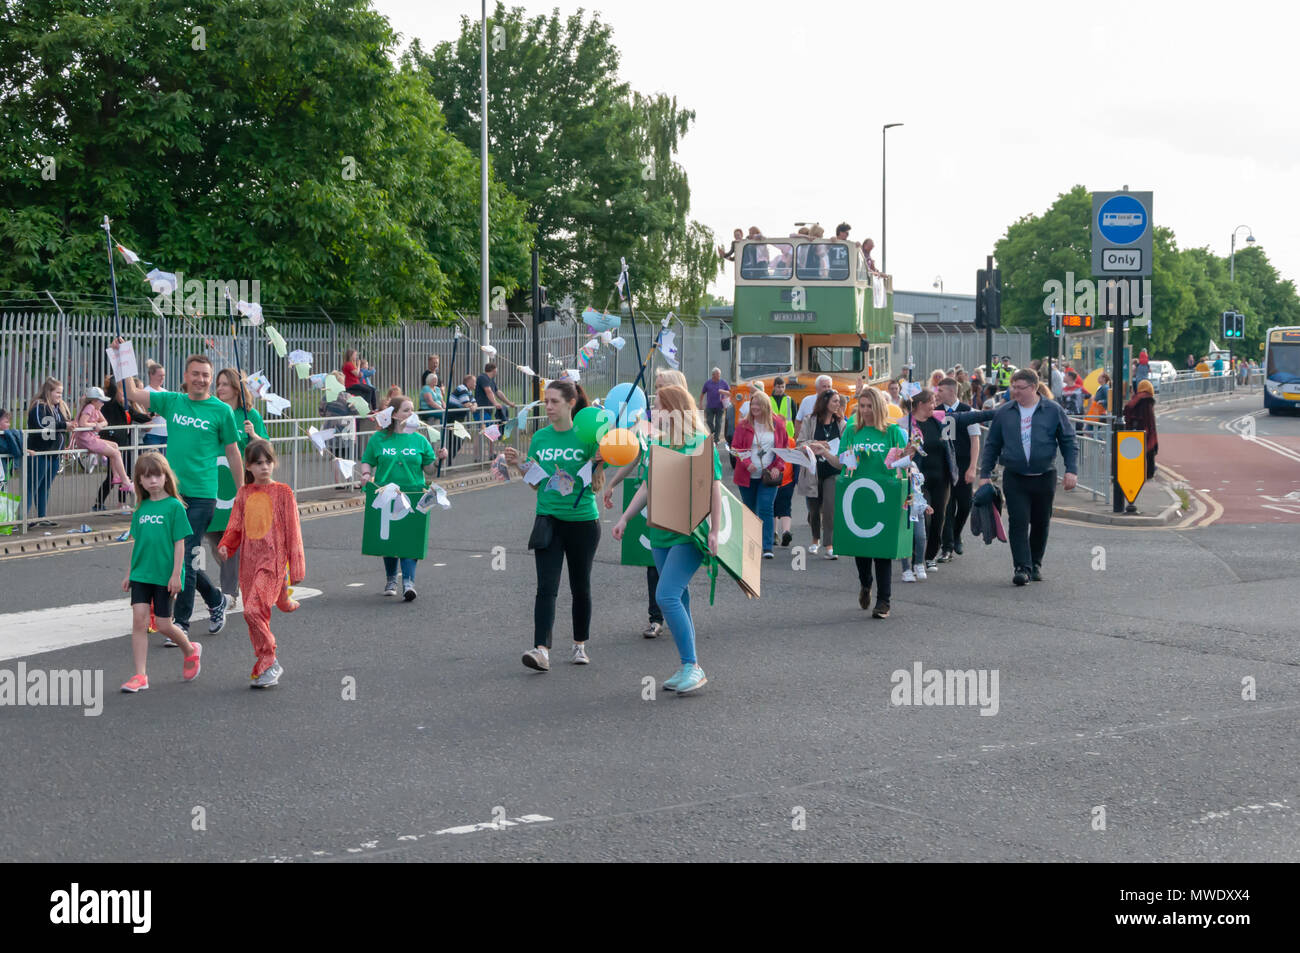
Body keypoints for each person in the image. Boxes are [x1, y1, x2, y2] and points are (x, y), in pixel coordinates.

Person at [118, 347, 244, 641]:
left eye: (206, 376)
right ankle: (215, 600)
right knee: (173, 558)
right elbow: (132, 395)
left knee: (185, 557)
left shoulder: (221, 411)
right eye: (196, 374)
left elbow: (233, 452)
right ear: (186, 376)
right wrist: (122, 357)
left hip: (202, 495)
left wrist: (242, 492)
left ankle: (182, 623)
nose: (201, 380)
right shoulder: (172, 401)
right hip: (171, 495)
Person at [613, 384, 720, 695]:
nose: (652, 413)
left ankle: (693, 666)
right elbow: (647, 488)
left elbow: (714, 488)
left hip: (690, 532)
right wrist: (624, 519)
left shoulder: (701, 442)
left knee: (667, 595)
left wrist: (714, 530)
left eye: (658, 406)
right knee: (680, 597)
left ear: (674, 410)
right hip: (659, 531)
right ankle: (687, 664)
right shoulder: (657, 442)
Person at [502, 380, 602, 672]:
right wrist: (519, 463)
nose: (548, 407)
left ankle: (580, 644)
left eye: (554, 401)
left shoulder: (586, 436)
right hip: (548, 520)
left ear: (571, 404)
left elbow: (597, 478)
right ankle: (541, 650)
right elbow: (536, 482)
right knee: (546, 587)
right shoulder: (541, 438)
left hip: (583, 521)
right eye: (546, 401)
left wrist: (600, 459)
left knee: (580, 586)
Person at [603, 368, 688, 640]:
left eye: (661, 387)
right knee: (653, 564)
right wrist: (614, 484)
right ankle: (658, 617)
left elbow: (709, 482)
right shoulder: (651, 428)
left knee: (673, 579)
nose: (655, 393)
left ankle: (681, 626)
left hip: (681, 518)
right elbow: (637, 456)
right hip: (654, 510)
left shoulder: (689, 436)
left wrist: (713, 528)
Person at [978, 368, 1078, 587]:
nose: (1015, 392)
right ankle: (1022, 567)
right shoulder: (1005, 412)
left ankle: (1035, 564)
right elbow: (992, 445)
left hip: (1044, 476)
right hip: (1015, 477)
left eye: (1020, 388)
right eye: (1013, 387)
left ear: (1033, 388)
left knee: (1041, 522)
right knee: (1019, 521)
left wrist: (1071, 470)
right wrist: (985, 474)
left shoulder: (1052, 410)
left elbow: (1069, 441)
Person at [218, 439, 306, 688]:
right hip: (248, 563)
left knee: (252, 610)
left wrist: (297, 566)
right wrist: (226, 545)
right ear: (248, 466)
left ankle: (270, 658)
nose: (264, 467)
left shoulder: (284, 492)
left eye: (268, 462)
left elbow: (293, 530)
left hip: (273, 561)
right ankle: (265, 663)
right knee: (258, 613)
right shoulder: (244, 494)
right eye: (258, 463)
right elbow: (235, 525)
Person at [118, 453, 202, 693]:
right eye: (146, 477)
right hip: (141, 574)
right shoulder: (141, 508)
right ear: (139, 482)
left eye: (157, 475)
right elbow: (138, 542)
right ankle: (140, 675)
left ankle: (189, 650)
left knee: (164, 625)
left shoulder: (174, 507)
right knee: (139, 621)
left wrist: (177, 574)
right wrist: (129, 573)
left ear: (165, 477)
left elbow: (179, 543)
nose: (152, 480)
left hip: (165, 575)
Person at [358, 395, 448, 600]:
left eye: (413, 410)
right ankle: (391, 578)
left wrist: (439, 459)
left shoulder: (419, 439)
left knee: (410, 539)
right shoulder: (379, 438)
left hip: (414, 493)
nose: (411, 414)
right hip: (386, 492)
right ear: (395, 414)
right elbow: (367, 461)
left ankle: (409, 582)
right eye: (406, 410)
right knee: (389, 538)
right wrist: (365, 475)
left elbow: (429, 470)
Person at [840, 386, 911, 618]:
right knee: (861, 551)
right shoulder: (851, 431)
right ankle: (865, 583)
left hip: (886, 496)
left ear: (879, 407)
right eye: (862, 406)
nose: (866, 410)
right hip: (858, 495)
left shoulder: (893, 432)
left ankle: (884, 602)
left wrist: (907, 457)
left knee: (882, 552)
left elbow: (905, 463)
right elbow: (842, 462)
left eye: (870, 406)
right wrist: (821, 453)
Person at [204, 368, 268, 606]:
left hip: (238, 485)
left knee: (230, 542)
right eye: (218, 384)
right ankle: (241, 574)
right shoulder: (212, 411)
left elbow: (266, 450)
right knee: (215, 540)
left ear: (235, 387)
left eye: (224, 384)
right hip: (213, 483)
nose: (219, 389)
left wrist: (254, 435)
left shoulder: (249, 415)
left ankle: (229, 592)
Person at [731, 390, 788, 558]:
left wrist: (779, 465)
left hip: (768, 475)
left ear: (765, 406)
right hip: (747, 475)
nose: (754, 407)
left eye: (758, 404)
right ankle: (750, 544)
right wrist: (746, 463)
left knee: (766, 507)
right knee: (749, 510)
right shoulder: (743, 425)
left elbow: (783, 448)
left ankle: (767, 546)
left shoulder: (777, 423)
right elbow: (735, 448)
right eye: (752, 404)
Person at [936, 377, 982, 561]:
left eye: (941, 391)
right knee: (946, 507)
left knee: (965, 504)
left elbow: (975, 440)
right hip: (943, 467)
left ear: (951, 392)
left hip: (962, 465)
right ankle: (946, 547)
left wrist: (972, 467)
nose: (937, 394)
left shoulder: (967, 411)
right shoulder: (936, 412)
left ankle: (956, 534)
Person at [795, 389, 846, 556]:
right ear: (825, 402)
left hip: (832, 470)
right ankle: (815, 538)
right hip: (813, 470)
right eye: (835, 401)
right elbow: (800, 443)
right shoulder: (810, 420)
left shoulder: (841, 424)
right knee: (814, 509)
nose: (838, 404)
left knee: (830, 507)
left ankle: (829, 544)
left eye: (839, 401)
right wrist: (815, 443)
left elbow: (844, 447)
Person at [25, 377, 72, 526]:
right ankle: (22, 520)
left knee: (45, 486)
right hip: (39, 452)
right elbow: (43, 425)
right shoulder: (39, 406)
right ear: (49, 392)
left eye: (61, 393)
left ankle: (41, 517)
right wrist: (64, 424)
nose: (60, 396)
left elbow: (59, 429)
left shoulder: (58, 408)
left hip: (53, 454)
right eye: (58, 393)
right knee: (32, 486)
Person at [73, 386, 134, 499]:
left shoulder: (96, 409)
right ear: (94, 400)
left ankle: (116, 475)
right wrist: (95, 425)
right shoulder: (90, 407)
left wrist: (99, 425)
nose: (103, 403)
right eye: (101, 401)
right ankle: (125, 480)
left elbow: (105, 422)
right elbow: (82, 423)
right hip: (86, 440)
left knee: (115, 446)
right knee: (115, 453)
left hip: (90, 438)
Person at [1122, 379, 1159, 513]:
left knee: (1136, 454)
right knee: (1148, 453)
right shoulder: (1147, 400)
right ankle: (1148, 474)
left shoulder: (1137, 398)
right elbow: (1149, 420)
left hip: (1135, 431)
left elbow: (1127, 409)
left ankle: (1140, 474)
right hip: (1145, 431)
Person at [769, 376, 797, 546]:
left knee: (774, 504)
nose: (780, 389)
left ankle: (776, 532)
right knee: (784, 504)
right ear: (774, 387)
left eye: (782, 386)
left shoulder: (789, 400)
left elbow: (793, 418)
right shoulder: (769, 400)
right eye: (778, 386)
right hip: (774, 436)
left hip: (788, 437)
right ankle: (781, 532)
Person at [142, 360, 168, 451]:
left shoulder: (165, 392)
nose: (162, 378)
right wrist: (159, 411)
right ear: (151, 375)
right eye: (160, 375)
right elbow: (144, 412)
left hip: (166, 434)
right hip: (152, 435)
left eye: (163, 375)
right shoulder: (146, 391)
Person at [699, 367, 730, 443]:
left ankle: (716, 439)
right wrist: (700, 404)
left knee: (718, 423)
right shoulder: (708, 383)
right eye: (717, 374)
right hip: (710, 406)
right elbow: (702, 393)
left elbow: (730, 393)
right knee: (709, 421)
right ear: (713, 375)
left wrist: (723, 391)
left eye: (719, 374)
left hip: (720, 406)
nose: (719, 376)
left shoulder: (723, 382)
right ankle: (713, 431)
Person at [0, 408, 21, 487]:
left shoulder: (5, 436)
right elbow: (6, 448)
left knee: (3, 491)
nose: (9, 425)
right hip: (2, 472)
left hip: (5, 471)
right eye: (6, 422)